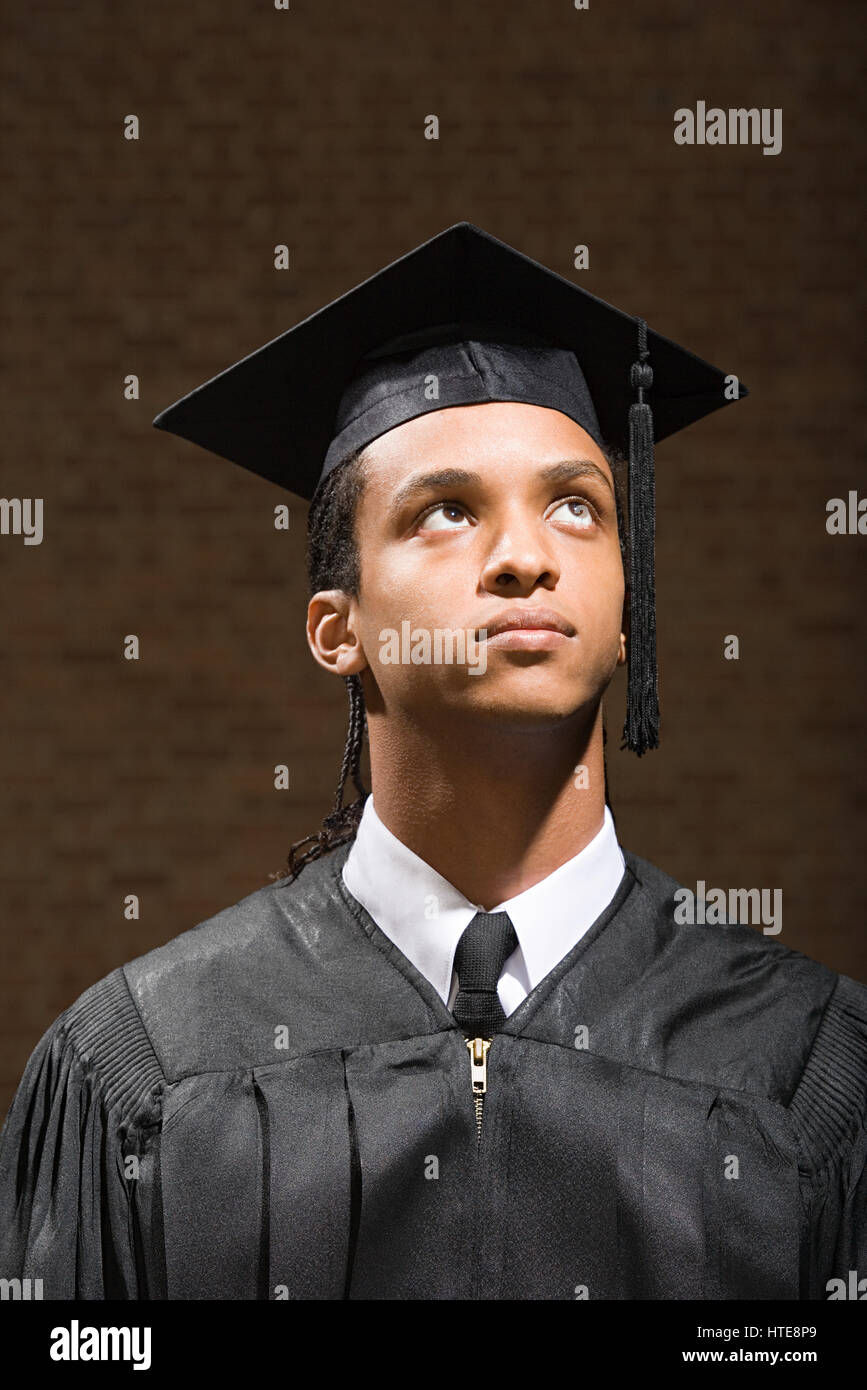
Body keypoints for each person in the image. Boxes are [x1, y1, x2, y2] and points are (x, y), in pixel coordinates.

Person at [1, 223, 864, 1300]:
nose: (525, 556)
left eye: (576, 506)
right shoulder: (143, 1062)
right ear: (337, 627)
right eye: (448, 510)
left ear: (629, 617)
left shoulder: (806, 1060)